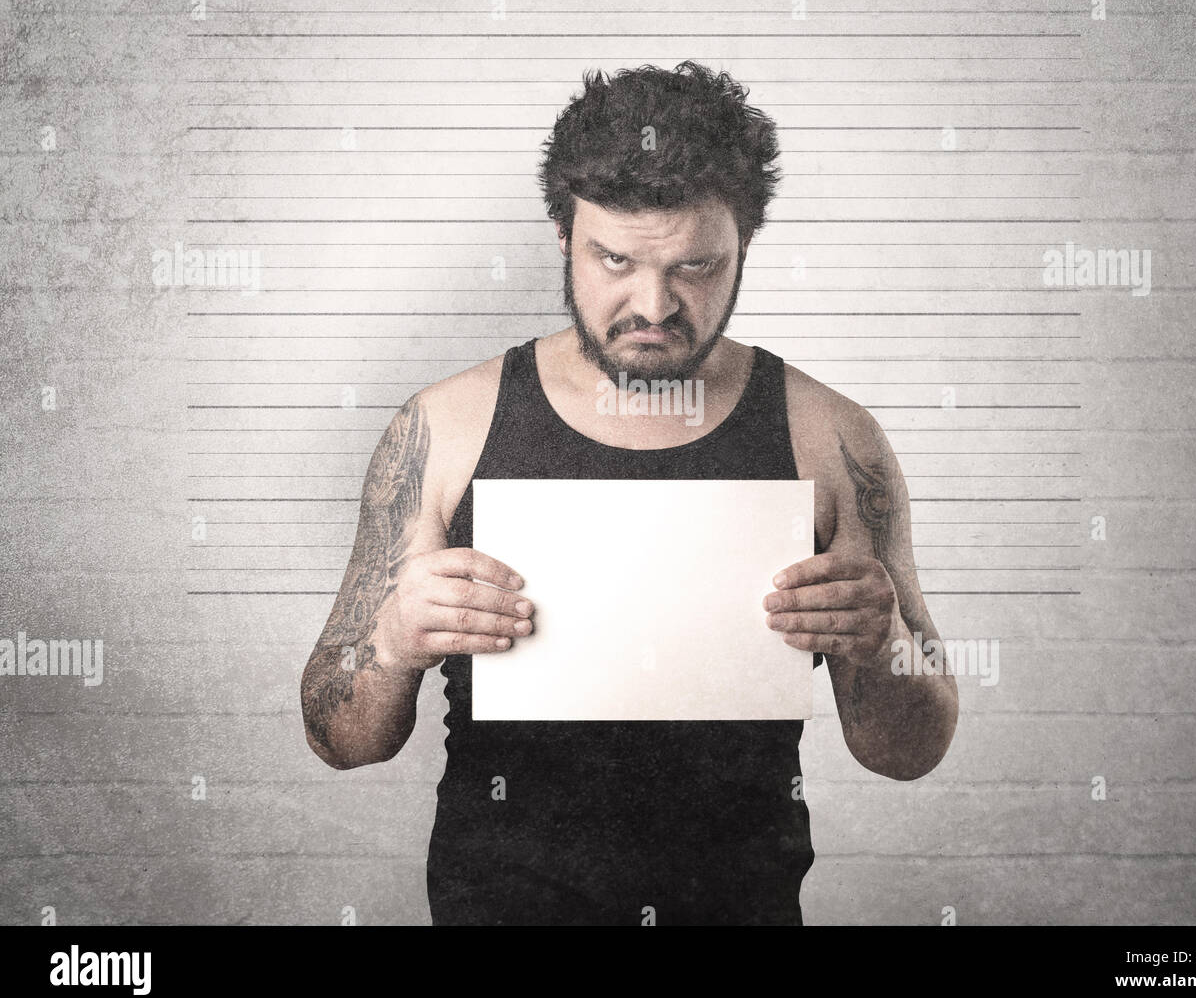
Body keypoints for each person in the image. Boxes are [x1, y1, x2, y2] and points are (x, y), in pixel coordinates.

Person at [299, 61, 959, 925]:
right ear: (563, 239)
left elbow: (910, 751)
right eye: (614, 259)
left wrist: (878, 644)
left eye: (696, 265)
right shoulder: (444, 428)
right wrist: (392, 637)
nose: (653, 303)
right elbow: (339, 736)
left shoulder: (831, 439)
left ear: (744, 249)